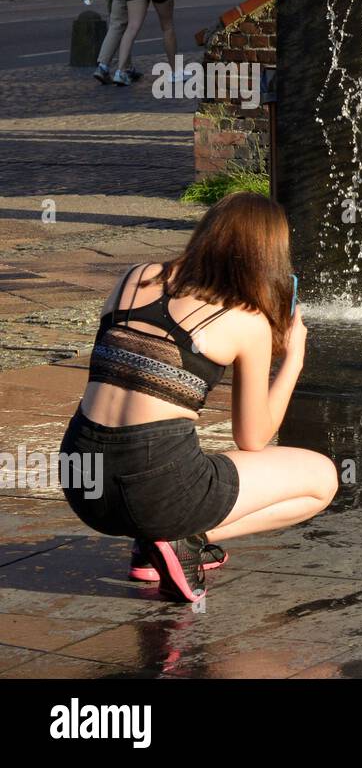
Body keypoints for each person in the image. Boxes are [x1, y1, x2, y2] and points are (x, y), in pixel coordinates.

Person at [59, 193, 338, 602]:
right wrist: (293, 357)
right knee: (323, 479)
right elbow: (254, 439)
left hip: (82, 481)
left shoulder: (136, 277)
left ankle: (151, 545)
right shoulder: (245, 318)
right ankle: (178, 539)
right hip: (157, 486)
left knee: (169, 446)